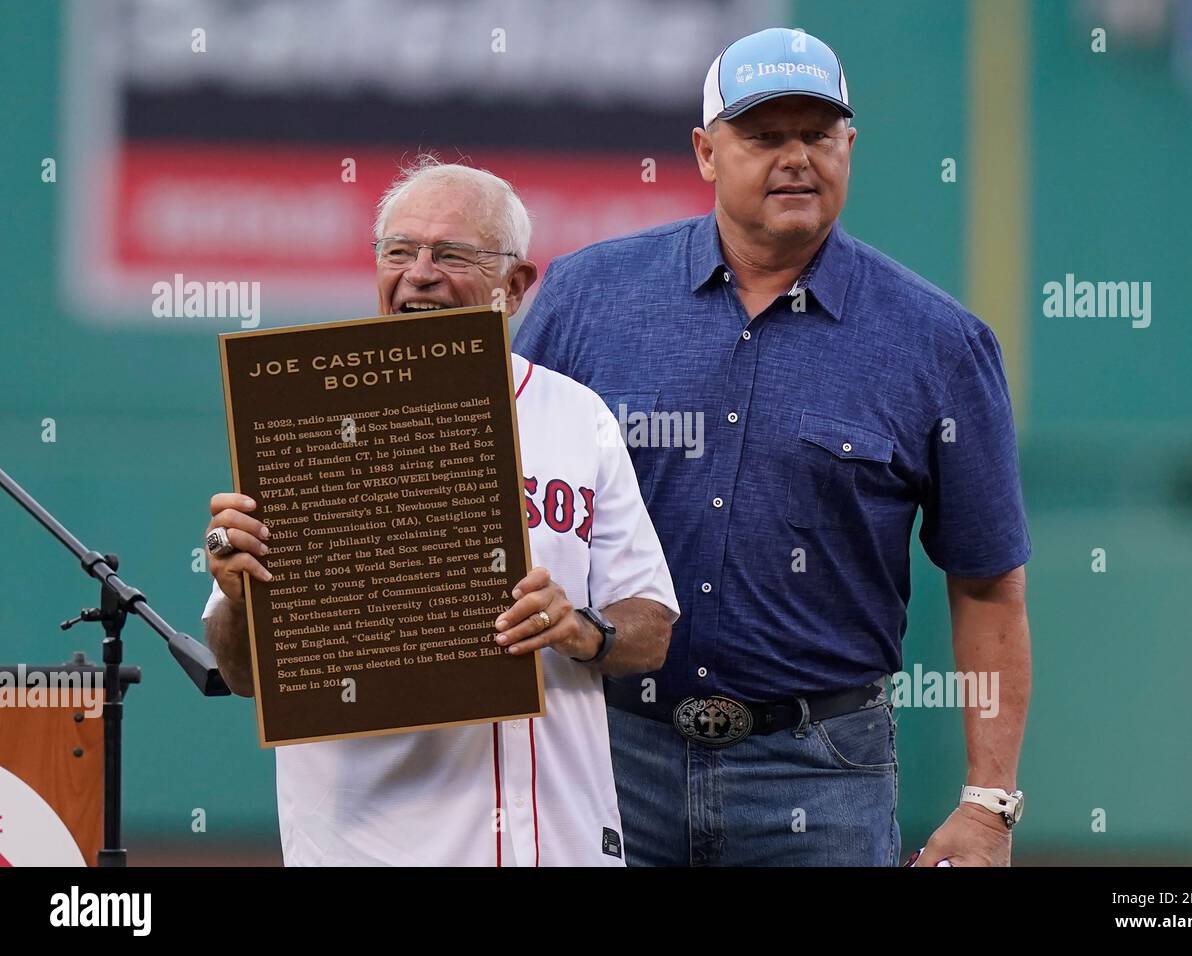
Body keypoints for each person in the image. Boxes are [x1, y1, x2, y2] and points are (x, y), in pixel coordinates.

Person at [515, 27, 1032, 866]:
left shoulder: (939, 341)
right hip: (608, 754)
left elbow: (987, 584)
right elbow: (493, 491)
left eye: (816, 135)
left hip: (820, 771)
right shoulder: (586, 299)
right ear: (705, 152)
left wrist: (987, 804)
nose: (795, 157)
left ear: (849, 146)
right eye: (764, 135)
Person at [201, 158, 678, 866]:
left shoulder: (578, 416)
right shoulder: (306, 411)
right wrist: (240, 597)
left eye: (451, 253)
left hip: (560, 837)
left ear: (514, 286)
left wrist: (579, 629)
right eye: (399, 251)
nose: (419, 272)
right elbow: (240, 675)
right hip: (374, 845)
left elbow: (652, 626)